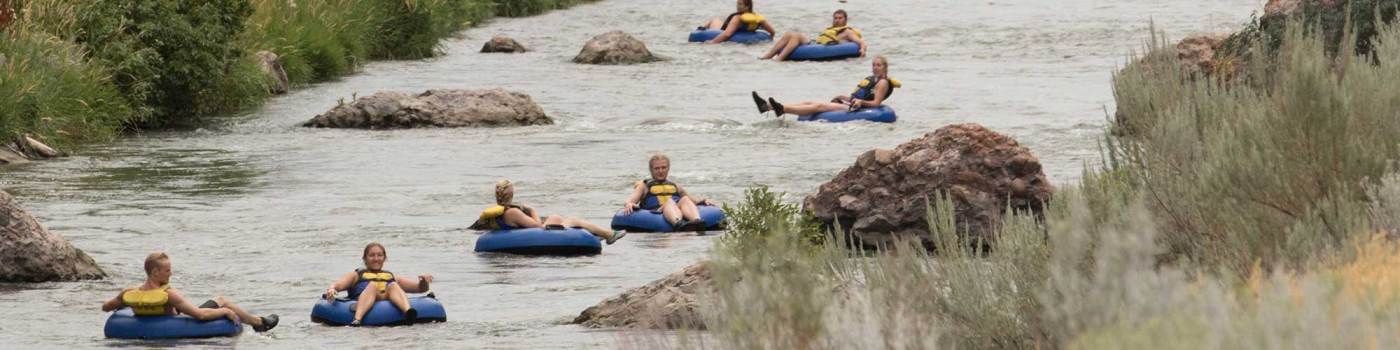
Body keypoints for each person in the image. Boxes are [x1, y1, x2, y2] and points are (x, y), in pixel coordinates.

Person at [101, 252, 279, 332]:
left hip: (143, 324)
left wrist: (126, 305)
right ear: (155, 272)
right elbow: (200, 315)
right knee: (221, 300)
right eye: (167, 270)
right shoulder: (169, 294)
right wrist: (225, 311)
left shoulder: (129, 293)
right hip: (176, 323)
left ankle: (258, 322)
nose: (171, 273)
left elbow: (106, 307)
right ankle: (259, 323)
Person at [470, 180, 627, 244]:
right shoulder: (512, 212)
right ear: (511, 194)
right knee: (569, 219)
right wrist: (532, 210)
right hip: (535, 236)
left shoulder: (496, 212)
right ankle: (609, 235)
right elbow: (537, 226)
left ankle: (595, 236)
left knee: (554, 218)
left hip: (512, 235)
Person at [322, 242, 434, 326]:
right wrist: (332, 289)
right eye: (372, 255)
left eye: (379, 255)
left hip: (386, 297)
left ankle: (408, 312)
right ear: (365, 258)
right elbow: (337, 285)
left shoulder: (392, 276)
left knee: (393, 285)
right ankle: (357, 320)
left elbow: (420, 289)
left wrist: (423, 281)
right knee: (372, 285)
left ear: (384, 258)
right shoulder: (356, 275)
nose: (376, 259)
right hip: (364, 298)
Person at [751, 55, 900, 116]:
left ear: (885, 67)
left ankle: (782, 109)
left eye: (878, 65)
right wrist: (845, 97)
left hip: (858, 109)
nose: (875, 68)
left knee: (818, 106)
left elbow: (876, 103)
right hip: (852, 104)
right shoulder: (873, 79)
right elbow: (863, 96)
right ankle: (767, 107)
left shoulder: (882, 82)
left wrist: (860, 102)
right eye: (873, 65)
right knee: (809, 102)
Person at [621, 154, 715, 230]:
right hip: (657, 212)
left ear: (668, 168)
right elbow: (630, 200)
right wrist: (629, 204)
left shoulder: (675, 186)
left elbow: (693, 201)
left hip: (676, 208)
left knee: (685, 199)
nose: (660, 171)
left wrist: (703, 201)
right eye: (657, 168)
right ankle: (678, 223)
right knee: (669, 202)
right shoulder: (644, 186)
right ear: (651, 170)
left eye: (663, 167)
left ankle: (697, 221)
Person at [760, 9, 866, 61]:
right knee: (789, 34)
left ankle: (779, 59)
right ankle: (767, 56)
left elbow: (861, 42)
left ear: (845, 20)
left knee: (796, 36)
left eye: (840, 18)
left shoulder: (847, 31)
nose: (837, 20)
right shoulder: (832, 29)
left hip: (819, 47)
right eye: (835, 18)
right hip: (815, 44)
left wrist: (862, 50)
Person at [698, 0, 776, 44]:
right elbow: (772, 32)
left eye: (740, 4)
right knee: (716, 20)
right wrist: (769, 39)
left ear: (747, 6)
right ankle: (703, 29)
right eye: (737, 4)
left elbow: (727, 34)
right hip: (748, 34)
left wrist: (713, 42)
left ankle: (701, 31)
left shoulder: (738, 18)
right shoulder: (758, 18)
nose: (737, 6)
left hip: (722, 31)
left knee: (715, 20)